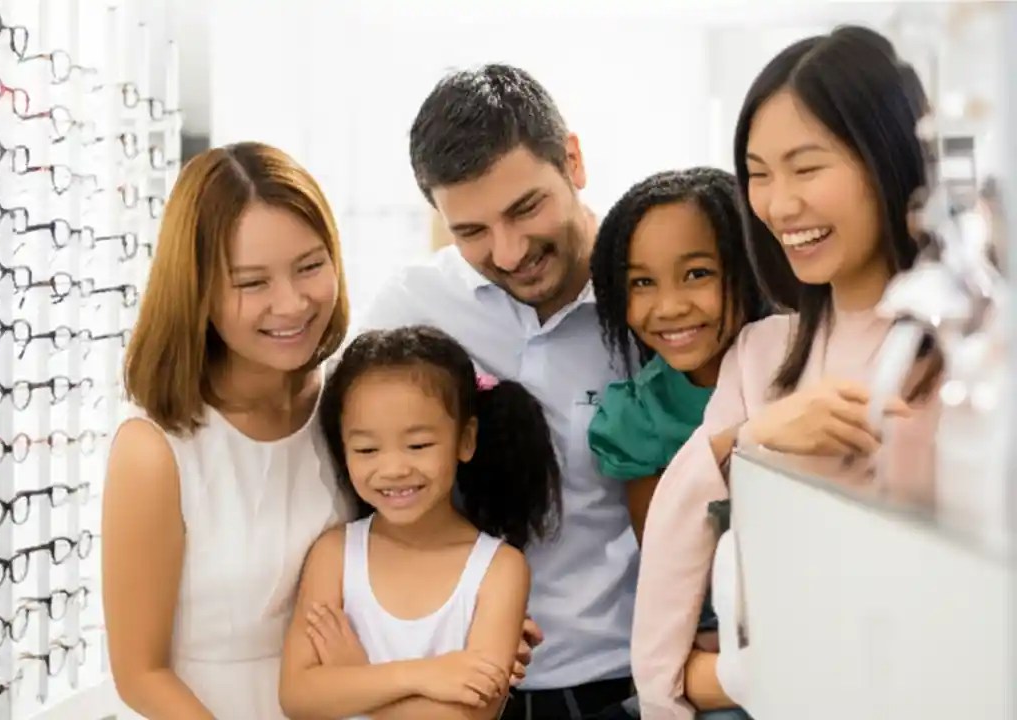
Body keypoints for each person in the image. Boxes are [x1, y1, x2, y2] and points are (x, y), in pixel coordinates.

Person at [631, 26, 942, 719]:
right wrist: (664, 693)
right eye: (759, 173)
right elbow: (682, 516)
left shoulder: (962, 352)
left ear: (887, 160)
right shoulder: (765, 353)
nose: (778, 204)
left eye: (806, 167)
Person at [361, 63, 638, 719]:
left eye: (526, 209)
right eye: (472, 232)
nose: (509, 253)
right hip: (450, 689)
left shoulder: (654, 299)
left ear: (572, 159)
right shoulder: (410, 308)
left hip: (626, 682)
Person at [100, 141, 353, 720]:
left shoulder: (350, 400)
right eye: (251, 282)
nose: (291, 304)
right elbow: (139, 673)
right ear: (197, 290)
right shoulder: (154, 450)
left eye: (310, 266)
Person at [279, 325, 563, 719]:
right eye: (367, 449)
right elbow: (298, 695)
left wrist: (356, 675)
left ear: (465, 440)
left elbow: (467, 717)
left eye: (418, 445)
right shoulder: (335, 554)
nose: (393, 469)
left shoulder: (499, 570)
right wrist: (424, 676)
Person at [588, 167, 772, 543]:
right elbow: (665, 555)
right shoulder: (638, 415)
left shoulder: (804, 362)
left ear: (752, 266)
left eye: (696, 274)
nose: (668, 307)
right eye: (642, 282)